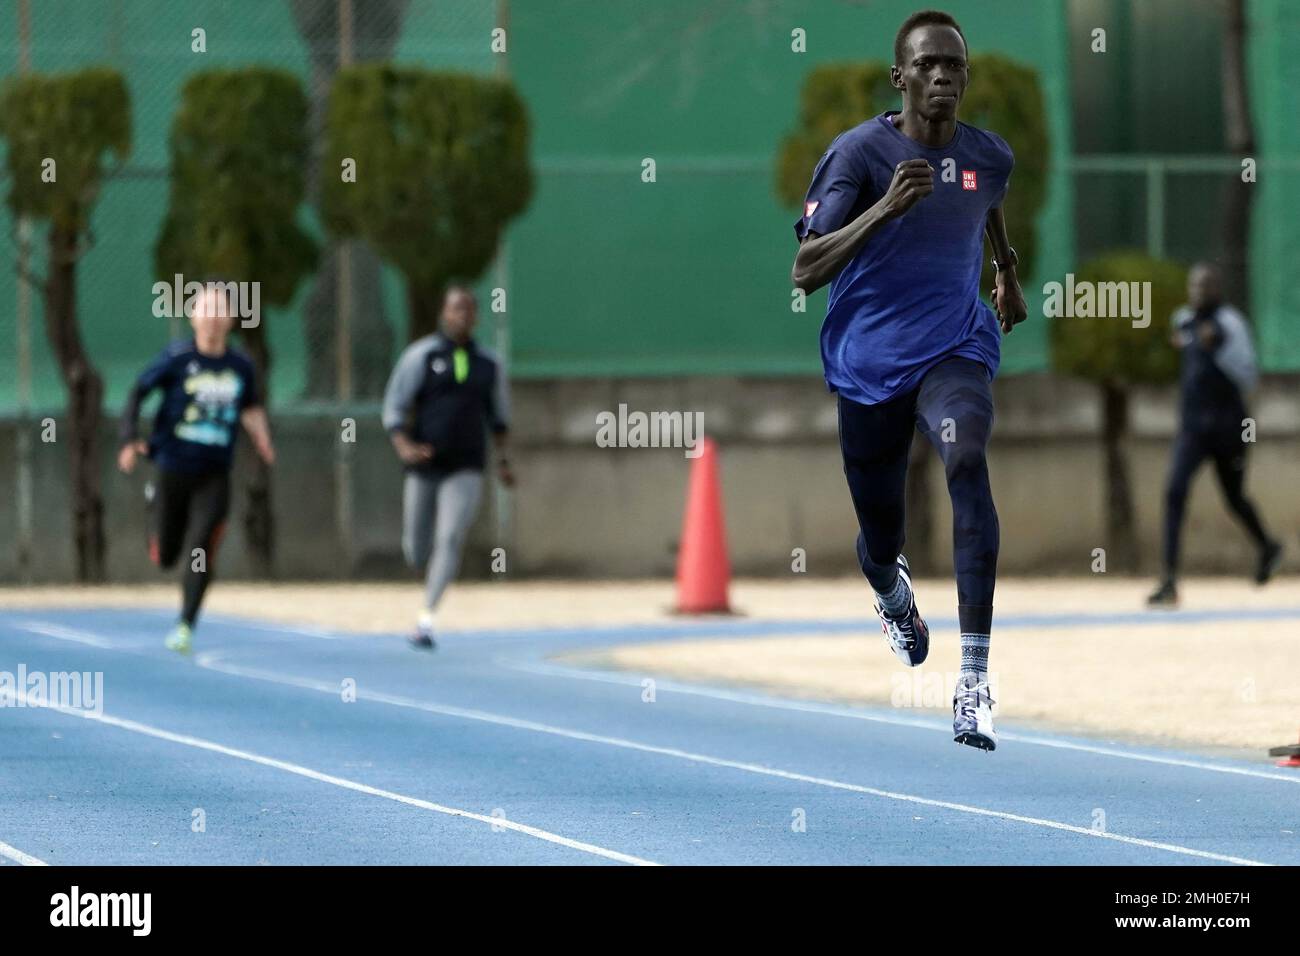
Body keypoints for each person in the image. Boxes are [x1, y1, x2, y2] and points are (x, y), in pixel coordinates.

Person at [789, 9, 1027, 750]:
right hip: (868, 370)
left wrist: (1006, 270)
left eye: (953, 65)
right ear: (900, 76)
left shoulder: (989, 157)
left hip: (955, 347)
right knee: (881, 536)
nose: (942, 77)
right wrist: (885, 208)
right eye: (927, 65)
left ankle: (975, 683)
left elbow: (984, 202)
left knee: (965, 457)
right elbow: (805, 268)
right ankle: (893, 595)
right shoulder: (857, 156)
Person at [118, 283, 275, 654]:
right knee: (167, 555)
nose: (214, 317)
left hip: (214, 474)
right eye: (207, 309)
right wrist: (128, 439)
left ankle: (186, 624)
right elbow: (137, 392)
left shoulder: (240, 367)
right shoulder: (176, 358)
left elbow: (251, 407)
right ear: (193, 316)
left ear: (232, 320)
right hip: (172, 468)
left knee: (201, 547)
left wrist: (262, 437)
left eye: (221, 310)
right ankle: (153, 506)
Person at [381, 286, 513, 650]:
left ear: (477, 317)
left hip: (466, 465)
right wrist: (404, 446)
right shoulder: (421, 356)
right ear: (444, 312)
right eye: (456, 309)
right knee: (416, 547)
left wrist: (503, 463)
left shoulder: (489, 364)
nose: (463, 316)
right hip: (424, 465)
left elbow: (500, 419)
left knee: (450, 536)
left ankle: (426, 619)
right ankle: (421, 569)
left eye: (469, 310)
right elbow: (394, 406)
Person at [1148, 262, 1282, 607]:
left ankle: (1268, 546)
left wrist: (1218, 346)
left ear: (1217, 289)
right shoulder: (1183, 320)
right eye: (1194, 286)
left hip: (1229, 428)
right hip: (1192, 428)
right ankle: (1169, 581)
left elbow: (1248, 373)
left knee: (1235, 497)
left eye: (1206, 286)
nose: (1198, 292)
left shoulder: (1231, 324)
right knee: (1174, 492)